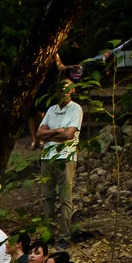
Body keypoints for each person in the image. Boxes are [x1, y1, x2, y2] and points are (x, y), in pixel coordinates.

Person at [34, 82, 83, 232]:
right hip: (47, 157)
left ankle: (65, 235)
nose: (64, 91)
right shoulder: (51, 110)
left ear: (72, 90)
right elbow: (39, 133)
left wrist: (49, 136)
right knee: (47, 197)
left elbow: (69, 135)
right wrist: (58, 132)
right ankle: (48, 234)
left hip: (65, 157)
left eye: (67, 88)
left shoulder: (76, 109)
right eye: (60, 88)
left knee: (65, 199)